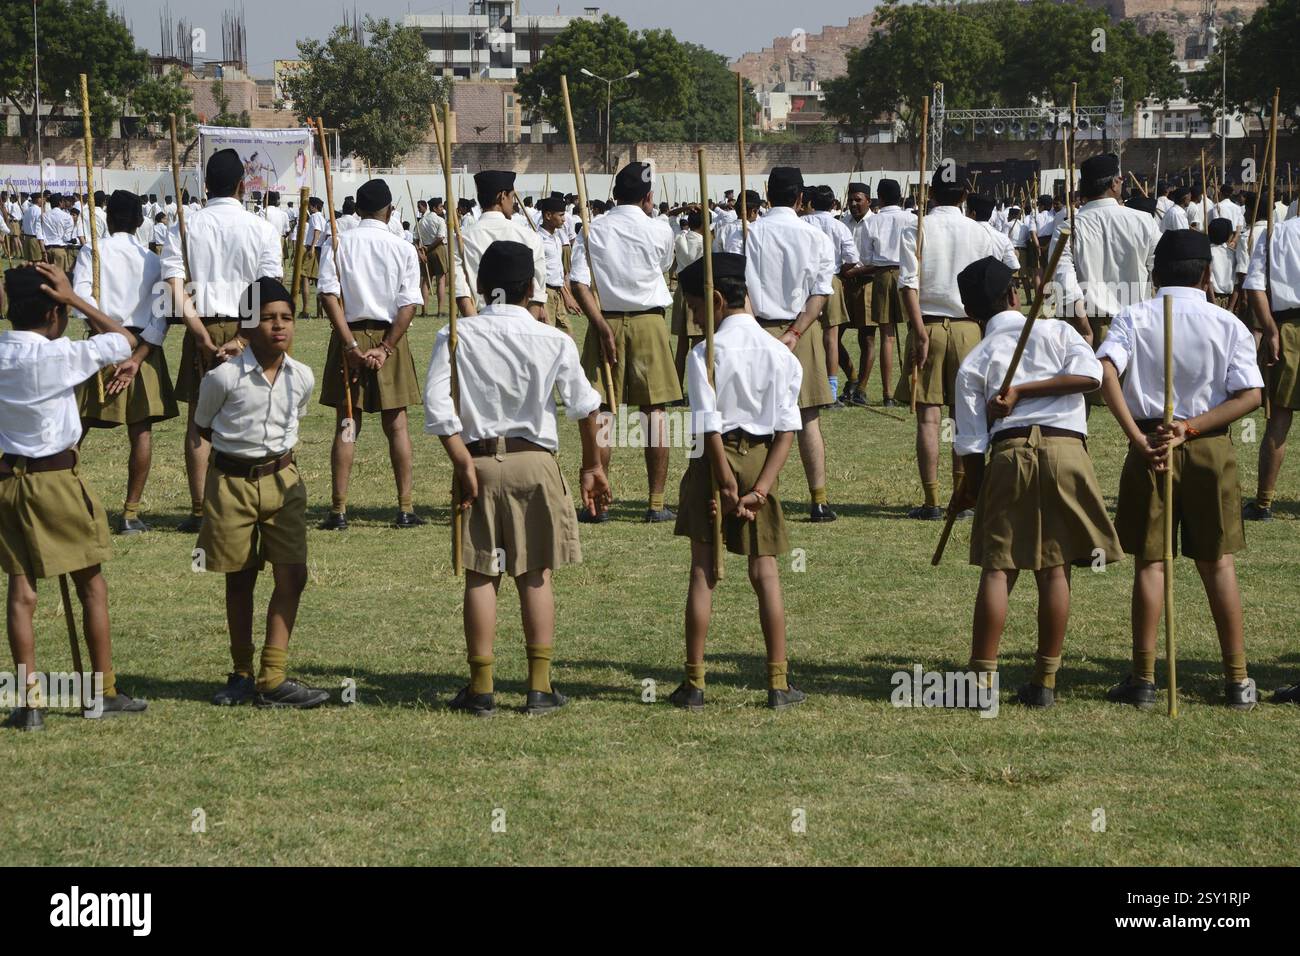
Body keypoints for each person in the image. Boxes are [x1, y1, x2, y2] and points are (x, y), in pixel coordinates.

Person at [423, 240, 610, 716]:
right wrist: (592, 466)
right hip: (535, 462)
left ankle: (482, 689)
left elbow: (437, 408)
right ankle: (539, 688)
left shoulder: (455, 335)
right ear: (531, 288)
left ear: (482, 288)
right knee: (534, 572)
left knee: (482, 574)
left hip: (478, 462)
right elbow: (588, 407)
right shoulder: (553, 339)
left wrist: (460, 461)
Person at [1097, 230, 1263, 711]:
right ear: (1208, 275)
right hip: (1206, 446)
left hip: (1152, 442)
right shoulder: (1226, 322)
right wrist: (1190, 429)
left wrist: (1136, 435)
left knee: (1151, 562)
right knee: (1217, 562)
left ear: (1154, 274)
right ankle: (1237, 681)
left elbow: (1105, 371)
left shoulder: (1134, 315)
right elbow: (1250, 395)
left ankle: (1144, 678)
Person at [950, 257, 1120, 709]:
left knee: (999, 566)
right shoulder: (1059, 332)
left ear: (972, 313)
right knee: (1054, 566)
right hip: (1066, 454)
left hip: (1009, 456)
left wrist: (1021, 392)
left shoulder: (975, 360)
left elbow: (969, 445)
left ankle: (981, 684)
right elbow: (1093, 375)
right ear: (1014, 296)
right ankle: (1045, 681)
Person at [0, 263, 149, 730]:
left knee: (22, 591)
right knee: (91, 584)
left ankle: (29, 705)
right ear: (54, 313)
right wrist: (77, 300)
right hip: (57, 479)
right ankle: (102, 692)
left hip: (7, 482)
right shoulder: (60, 354)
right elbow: (123, 339)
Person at [669, 252, 806, 711]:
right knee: (765, 574)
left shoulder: (704, 352)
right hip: (762, 459)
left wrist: (726, 486)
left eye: (694, 305)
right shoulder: (780, 353)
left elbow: (708, 423)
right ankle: (778, 682)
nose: (691, 315)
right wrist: (760, 489)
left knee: (703, 571)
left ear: (715, 299)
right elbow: (788, 429)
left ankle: (695, 683)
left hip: (714, 461)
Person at [195, 277, 328, 709]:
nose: (279, 327)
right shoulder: (224, 378)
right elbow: (203, 426)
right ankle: (241, 672)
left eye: (286, 318)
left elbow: (295, 420)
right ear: (247, 326)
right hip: (231, 482)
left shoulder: (302, 376)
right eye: (268, 318)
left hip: (283, 483)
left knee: (293, 575)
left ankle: (274, 676)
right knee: (241, 576)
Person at [163, 148, 284, 534]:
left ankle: (202, 509)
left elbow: (174, 288)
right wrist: (244, 336)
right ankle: (242, 504)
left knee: (201, 421)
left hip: (207, 321)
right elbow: (267, 289)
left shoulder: (185, 226)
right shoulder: (260, 228)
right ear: (241, 184)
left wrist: (200, 334)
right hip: (247, 328)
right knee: (251, 415)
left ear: (206, 185)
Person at [569, 162, 682, 523]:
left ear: (616, 194)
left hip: (607, 321)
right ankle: (655, 502)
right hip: (649, 322)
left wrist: (600, 325)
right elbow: (665, 265)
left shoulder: (593, 229)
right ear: (648, 197)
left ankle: (600, 504)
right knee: (655, 414)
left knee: (602, 413)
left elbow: (578, 284)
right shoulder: (659, 229)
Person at [317, 179, 425, 531]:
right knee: (397, 425)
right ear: (390, 211)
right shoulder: (402, 247)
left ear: (357, 209)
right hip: (388, 333)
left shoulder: (338, 244)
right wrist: (386, 347)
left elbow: (328, 296)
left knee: (348, 423)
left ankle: (339, 511)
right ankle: (405, 509)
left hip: (349, 332)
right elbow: (409, 303)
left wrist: (350, 345)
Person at [74, 190, 178, 534]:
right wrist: (131, 347)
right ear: (138, 221)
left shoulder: (97, 251)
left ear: (109, 218)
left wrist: (112, 336)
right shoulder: (150, 259)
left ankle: (60, 500)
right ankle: (130, 514)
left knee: (77, 427)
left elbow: (80, 301)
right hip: (137, 348)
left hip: (106, 343)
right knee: (140, 430)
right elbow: (161, 315)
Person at [896, 167, 995, 520]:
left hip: (930, 326)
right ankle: (959, 496)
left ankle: (933, 501)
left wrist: (919, 332)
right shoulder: (980, 232)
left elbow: (908, 284)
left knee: (929, 419)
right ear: (965, 194)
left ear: (931, 193)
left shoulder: (917, 227)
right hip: (969, 329)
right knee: (962, 417)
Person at [743, 166, 837, 522]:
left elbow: (741, 288)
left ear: (768, 194)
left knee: (758, 419)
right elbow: (819, 293)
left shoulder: (747, 232)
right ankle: (819, 500)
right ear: (801, 198)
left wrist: (754, 330)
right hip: (802, 329)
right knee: (806, 417)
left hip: (760, 328)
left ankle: (760, 491)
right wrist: (795, 333)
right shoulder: (815, 237)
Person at [1242, 191, 1300, 522]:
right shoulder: (1275, 232)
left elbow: (1255, 288)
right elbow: (1255, 286)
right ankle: (1262, 502)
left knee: (1279, 419)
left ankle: (1264, 503)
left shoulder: (1277, 233)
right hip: (1287, 325)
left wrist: (1271, 330)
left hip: (1288, 329)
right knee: (1277, 417)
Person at [452, 171, 547, 320]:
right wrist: (526, 329)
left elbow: (461, 292)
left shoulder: (462, 238)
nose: (514, 202)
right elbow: (537, 293)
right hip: (520, 324)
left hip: (479, 321)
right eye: (512, 197)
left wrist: (477, 327)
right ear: (502, 196)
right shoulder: (529, 237)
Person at [804, 185, 860, 408]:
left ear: (810, 203)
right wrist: (842, 271)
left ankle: (811, 386)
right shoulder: (839, 226)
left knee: (805, 334)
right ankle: (831, 390)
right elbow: (852, 257)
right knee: (831, 337)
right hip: (832, 279)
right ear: (834, 204)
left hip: (807, 281)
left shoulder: (802, 223)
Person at [537, 195, 578, 331]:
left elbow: (558, 273)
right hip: (545, 293)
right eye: (560, 215)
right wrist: (540, 304)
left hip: (558, 292)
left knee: (569, 332)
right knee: (548, 333)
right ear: (548, 215)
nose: (564, 219)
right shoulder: (537, 240)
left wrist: (567, 296)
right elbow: (535, 275)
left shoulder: (557, 238)